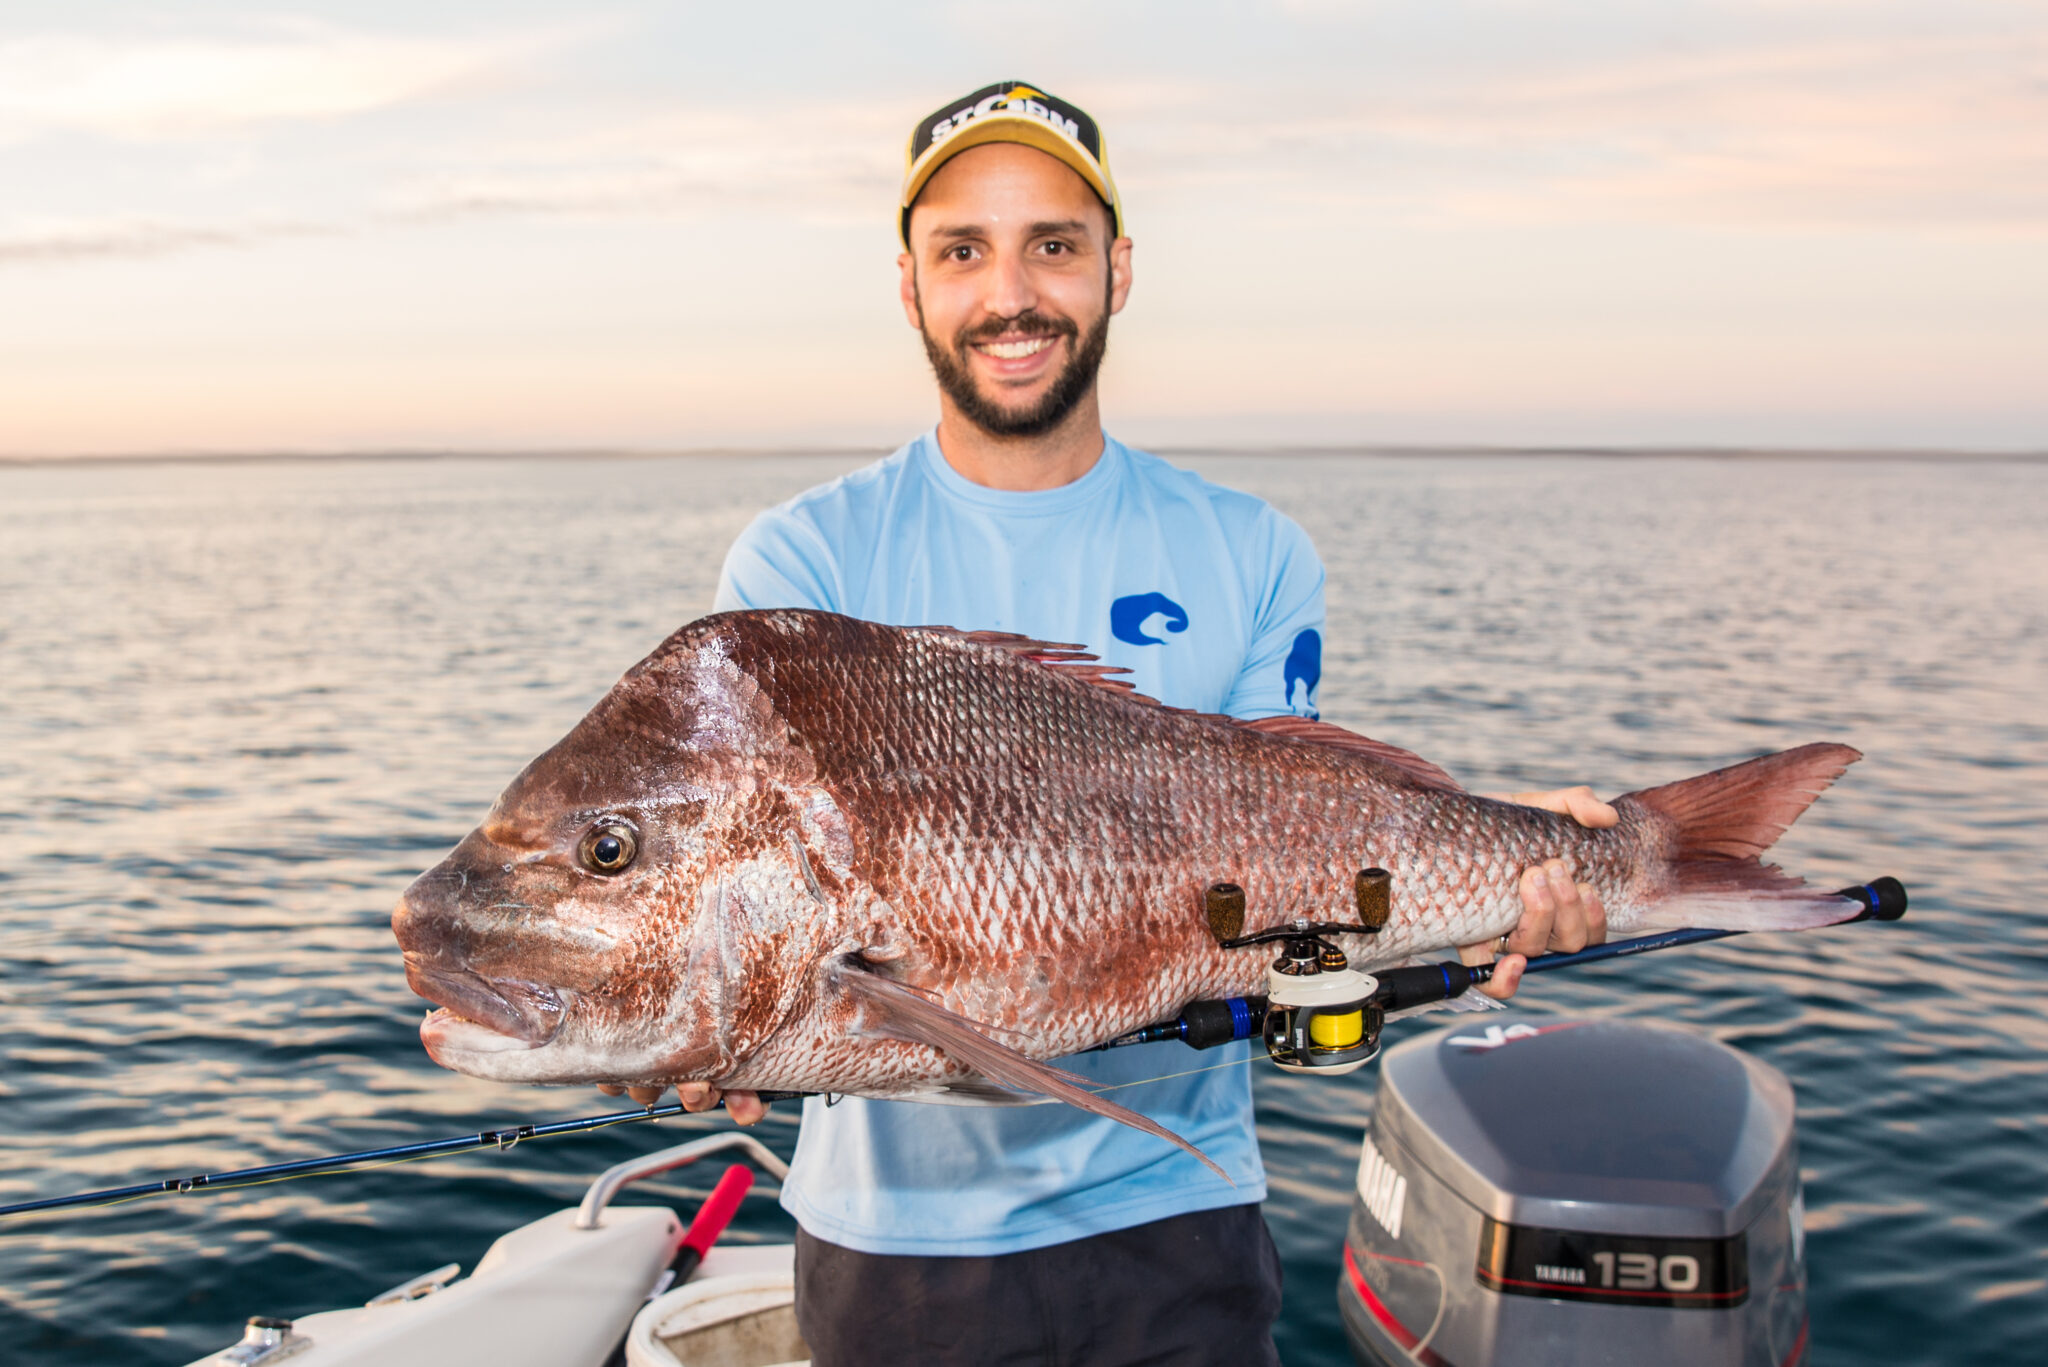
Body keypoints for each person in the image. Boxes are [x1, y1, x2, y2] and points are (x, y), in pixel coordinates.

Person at [605, 81, 1614, 1364]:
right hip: (899, 1241)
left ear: (1116, 271)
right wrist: (695, 1013)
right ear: (909, 286)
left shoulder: (1249, 547)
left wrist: (1509, 888)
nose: (1009, 292)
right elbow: (741, 889)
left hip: (1176, 1210)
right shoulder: (800, 559)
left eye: (1053, 245)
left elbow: (1292, 863)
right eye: (961, 250)